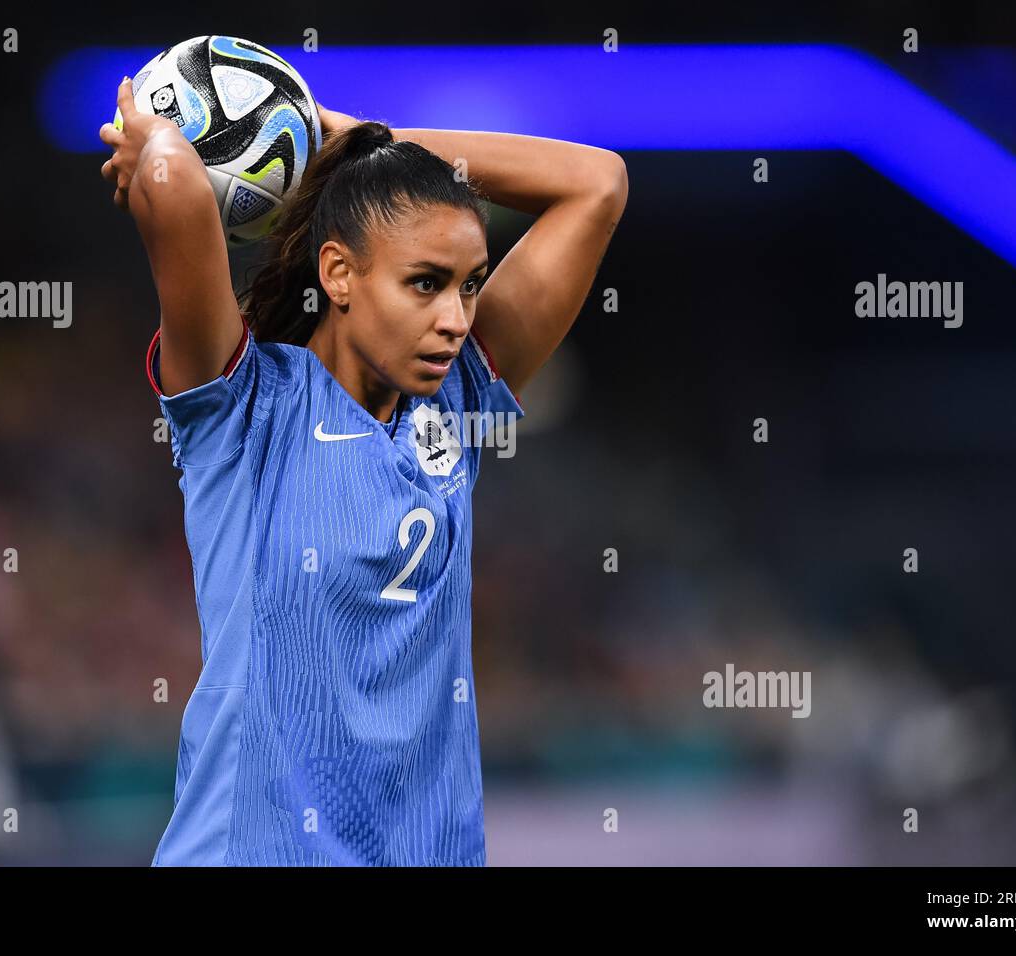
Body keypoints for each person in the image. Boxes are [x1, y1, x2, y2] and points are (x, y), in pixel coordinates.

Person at [100, 76, 627, 865]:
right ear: (339, 274)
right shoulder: (243, 409)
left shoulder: (455, 407)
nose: (455, 318)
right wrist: (166, 145)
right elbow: (172, 176)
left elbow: (598, 182)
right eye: (425, 283)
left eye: (470, 285)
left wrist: (373, 143)